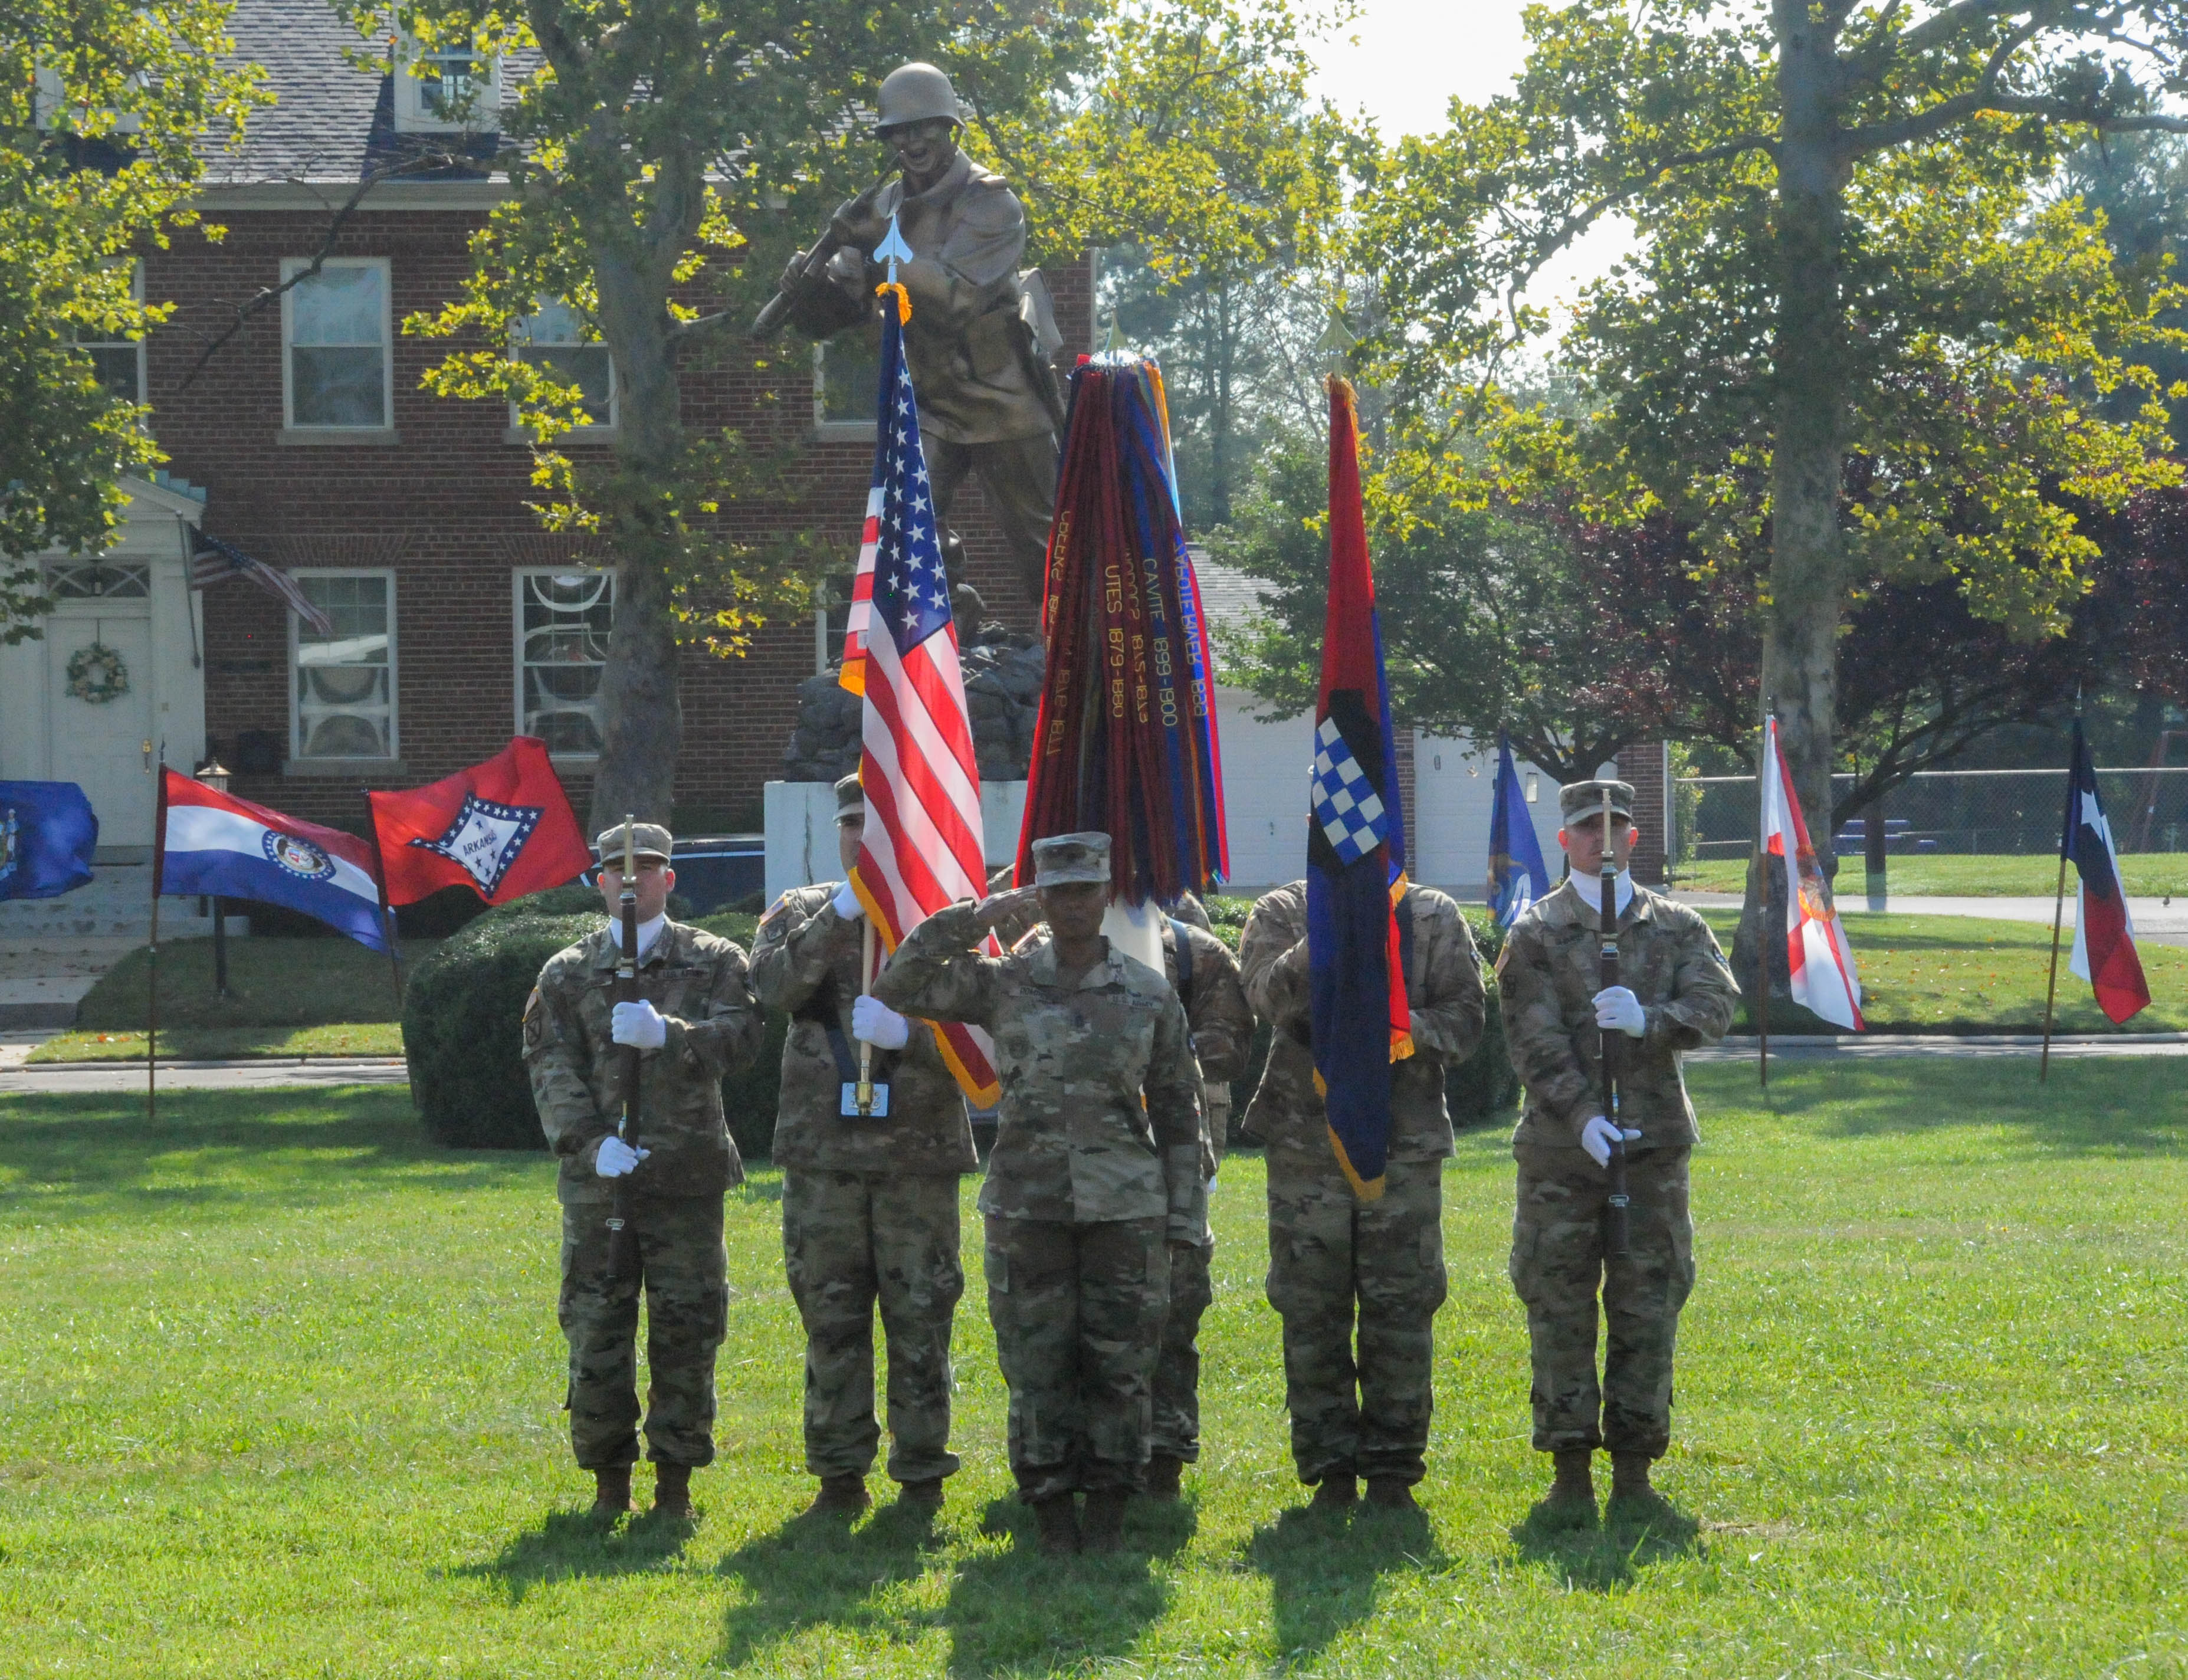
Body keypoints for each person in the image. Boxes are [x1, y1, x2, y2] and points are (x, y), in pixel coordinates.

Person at [873, 832, 1205, 1556]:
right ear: (1040, 898)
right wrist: (986, 912)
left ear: (1107, 894)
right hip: (1029, 1206)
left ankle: (1113, 1505)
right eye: (1057, 891)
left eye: (1086, 889)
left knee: (1121, 1363)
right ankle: (1051, 1507)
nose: (1074, 904)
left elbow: (1181, 1108)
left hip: (1125, 1205)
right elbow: (900, 979)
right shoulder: (1004, 981)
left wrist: (1186, 1218)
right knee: (1036, 1361)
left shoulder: (1147, 992)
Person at [1495, 779, 1738, 1528]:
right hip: (1560, 1158)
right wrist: (1580, 1116)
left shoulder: (1673, 925)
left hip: (1653, 1149)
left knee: (1648, 1303)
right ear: (1564, 839)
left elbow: (1718, 1005)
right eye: (1586, 828)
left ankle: (1635, 1466)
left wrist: (1650, 1020)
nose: (1602, 839)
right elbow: (1531, 1043)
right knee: (1558, 1302)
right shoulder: (1534, 933)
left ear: (1635, 838)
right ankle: (1569, 1468)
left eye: (1616, 827)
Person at [750, 773, 979, 1518]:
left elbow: (984, 1033)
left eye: (878, 824)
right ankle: (838, 1474)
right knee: (830, 1316)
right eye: (852, 823)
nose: (864, 837)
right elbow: (774, 988)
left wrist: (909, 1037)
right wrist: (842, 914)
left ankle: (920, 1474)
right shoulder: (801, 911)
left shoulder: (940, 919)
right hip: (825, 1160)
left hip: (917, 1157)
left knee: (922, 1318)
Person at [523, 823, 764, 1521]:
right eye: (617, 873)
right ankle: (608, 1481)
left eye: (648, 869)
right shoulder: (567, 970)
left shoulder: (713, 958)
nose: (633, 883)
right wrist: (589, 1141)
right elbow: (549, 1064)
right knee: (598, 1324)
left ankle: (676, 1485)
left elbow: (744, 1037)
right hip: (602, 1183)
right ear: (598, 882)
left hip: (686, 1174)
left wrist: (672, 1035)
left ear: (670, 878)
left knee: (687, 1327)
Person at [772, 61, 1062, 606]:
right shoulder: (883, 206)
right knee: (907, 533)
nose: (914, 140)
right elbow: (837, 314)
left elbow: (954, 298)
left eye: (925, 125)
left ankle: (1073, 658)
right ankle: (950, 629)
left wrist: (882, 243)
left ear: (951, 128)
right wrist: (810, 282)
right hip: (927, 401)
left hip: (1002, 399)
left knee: (1042, 543)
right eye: (899, 131)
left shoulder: (992, 204)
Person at [1237, 875, 1485, 1511]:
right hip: (1304, 1146)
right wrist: (1321, 937)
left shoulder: (1432, 914)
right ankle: (1330, 1470)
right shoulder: (1283, 911)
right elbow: (1265, 997)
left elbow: (1467, 1020)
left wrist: (1401, 1029)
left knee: (1400, 1305)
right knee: (1310, 1306)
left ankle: (1393, 1470)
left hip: (1403, 1144)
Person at [1147, 898, 1254, 1500]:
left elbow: (1230, 1048)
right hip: (1074, 1152)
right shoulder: (1049, 930)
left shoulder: (1191, 944)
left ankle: (1164, 1453)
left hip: (1176, 1146)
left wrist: (1151, 1050)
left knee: (1176, 1299)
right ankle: (1082, 1452)